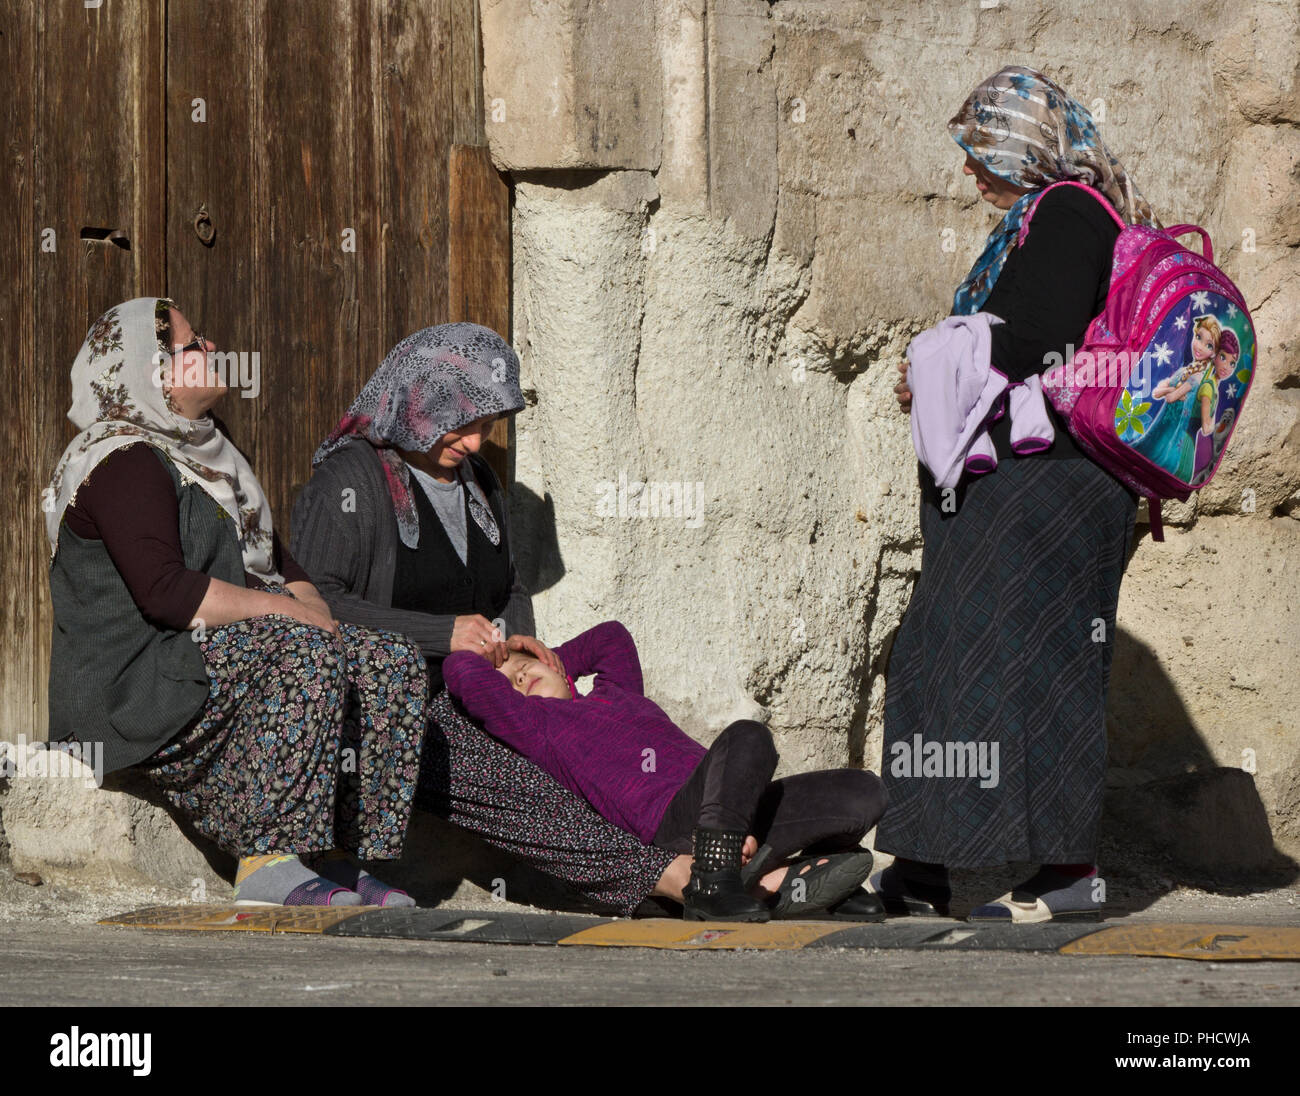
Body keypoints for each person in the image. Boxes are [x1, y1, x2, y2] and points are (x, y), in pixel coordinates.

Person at [291, 324, 697, 917]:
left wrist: (511, 643)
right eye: (464, 423)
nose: (478, 443)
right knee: (515, 785)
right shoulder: (349, 481)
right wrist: (440, 634)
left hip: (489, 690)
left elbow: (507, 588)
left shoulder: (478, 486)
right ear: (419, 402)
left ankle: (716, 846)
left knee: (591, 749)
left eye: (486, 425)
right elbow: (313, 605)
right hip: (399, 707)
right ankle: (670, 880)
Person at [881, 67, 1157, 923]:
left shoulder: (1067, 213)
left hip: (1036, 488)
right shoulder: (1077, 215)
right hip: (1055, 485)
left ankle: (936, 873)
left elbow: (1031, 341)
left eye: (979, 150)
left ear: (1020, 144)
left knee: (955, 662)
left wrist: (933, 365)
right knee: (1037, 669)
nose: (968, 170)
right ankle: (1027, 871)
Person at [45, 298, 428, 907]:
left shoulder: (210, 453)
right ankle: (267, 858)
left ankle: (335, 853)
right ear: (152, 371)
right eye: (195, 344)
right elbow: (165, 592)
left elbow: (277, 562)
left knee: (388, 659)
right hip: (138, 684)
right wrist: (288, 613)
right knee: (301, 647)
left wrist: (310, 605)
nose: (214, 349)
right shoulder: (125, 460)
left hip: (208, 657)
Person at [444, 621, 887, 921]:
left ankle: (782, 882)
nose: (520, 679)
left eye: (524, 668)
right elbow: (459, 671)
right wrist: (489, 657)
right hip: (672, 829)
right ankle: (717, 877)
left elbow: (611, 638)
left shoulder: (616, 691)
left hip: (732, 809)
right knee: (748, 736)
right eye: (510, 684)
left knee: (864, 791)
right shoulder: (535, 725)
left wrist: (547, 654)